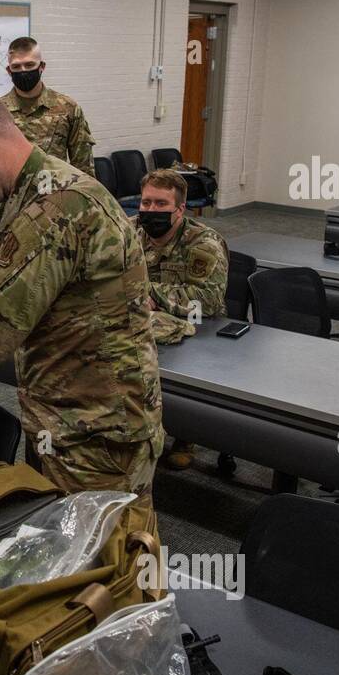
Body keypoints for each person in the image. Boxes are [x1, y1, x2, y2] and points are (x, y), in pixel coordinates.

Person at [0, 92, 164, 528]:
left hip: (95, 429)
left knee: (106, 563)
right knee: (67, 553)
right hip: (67, 413)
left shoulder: (54, 209)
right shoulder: (37, 191)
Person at [136, 168, 229, 470]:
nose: (151, 210)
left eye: (160, 204)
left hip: (200, 332)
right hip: (145, 322)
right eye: (146, 203)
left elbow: (209, 302)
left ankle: (186, 433)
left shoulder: (203, 242)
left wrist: (153, 295)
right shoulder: (128, 231)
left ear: (179, 209)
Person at [0, 37, 95, 257]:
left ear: (42, 67)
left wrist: (86, 217)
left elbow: (84, 168)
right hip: (9, 217)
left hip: (56, 213)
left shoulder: (67, 109)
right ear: (9, 71)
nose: (23, 71)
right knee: (8, 283)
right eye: (17, 67)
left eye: (29, 65)